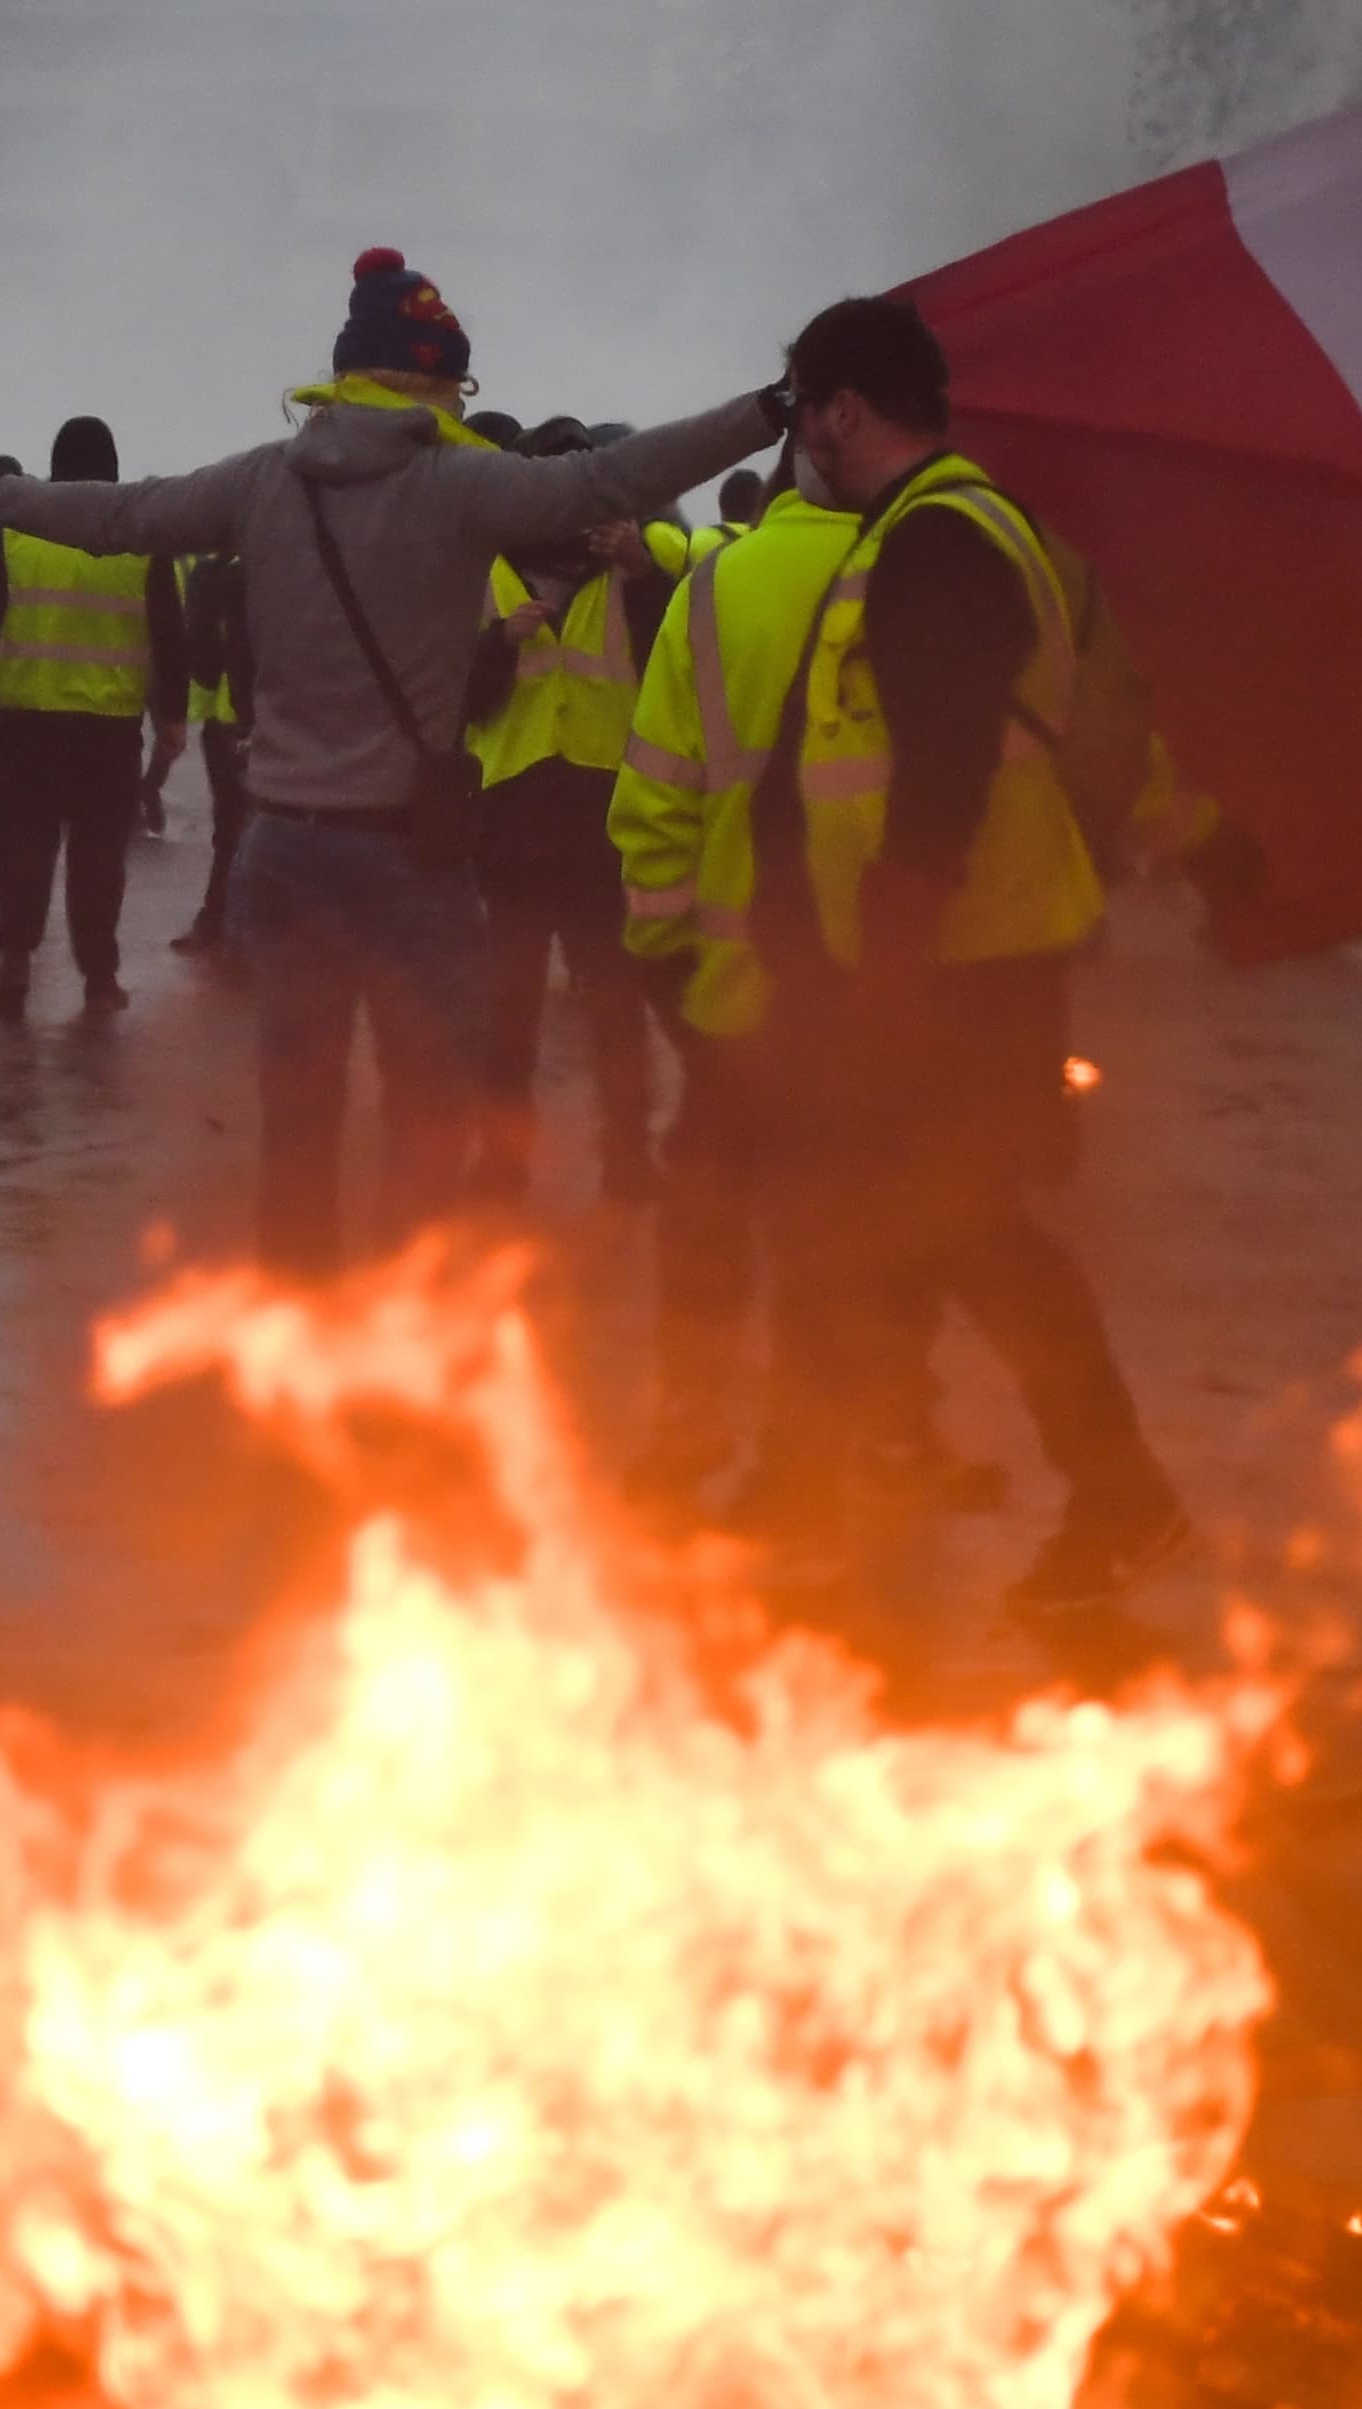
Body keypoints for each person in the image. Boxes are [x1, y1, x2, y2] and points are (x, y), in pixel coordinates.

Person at [0, 248, 782, 1269]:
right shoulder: (461, 487)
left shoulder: (257, 482)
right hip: (405, 855)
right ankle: (398, 1343)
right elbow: (611, 478)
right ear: (430, 381)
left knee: (298, 1123)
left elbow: (117, 517)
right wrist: (768, 411)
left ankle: (301, 1320)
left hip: (282, 851)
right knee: (430, 1119)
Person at [714, 296, 1185, 1613]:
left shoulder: (940, 538)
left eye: (803, 407)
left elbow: (942, 771)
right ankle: (835, 1482)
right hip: (940, 968)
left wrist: (887, 967)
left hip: (948, 975)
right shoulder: (936, 529)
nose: (799, 434)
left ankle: (1120, 1499)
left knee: (959, 1231)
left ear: (842, 411)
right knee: (889, 1229)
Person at [613, 469, 863, 1506]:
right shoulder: (931, 571)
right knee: (843, 1228)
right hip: (884, 997)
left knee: (709, 1220)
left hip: (733, 989)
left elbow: (657, 800)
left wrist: (662, 956)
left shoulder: (717, 586)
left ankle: (685, 1435)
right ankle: (814, 1461)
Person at [465, 421, 671, 1202]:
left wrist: (644, 572)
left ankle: (627, 1157)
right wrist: (496, 644)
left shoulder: (635, 566)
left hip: (601, 814)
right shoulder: (484, 574)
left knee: (617, 1002)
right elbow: (453, 701)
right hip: (512, 818)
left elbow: (678, 662)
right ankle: (503, 1162)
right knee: (507, 1011)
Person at [0, 416, 180, 1021]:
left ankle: (15, 962)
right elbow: (169, 634)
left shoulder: (15, 535)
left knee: (27, 846)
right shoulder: (140, 541)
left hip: (25, 720)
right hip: (108, 726)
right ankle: (98, 977)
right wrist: (170, 717)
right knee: (97, 858)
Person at [163, 552, 254, 960]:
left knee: (241, 825)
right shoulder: (221, 569)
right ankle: (224, 921)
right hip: (235, 715)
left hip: (246, 715)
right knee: (235, 824)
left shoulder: (220, 569)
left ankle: (226, 922)